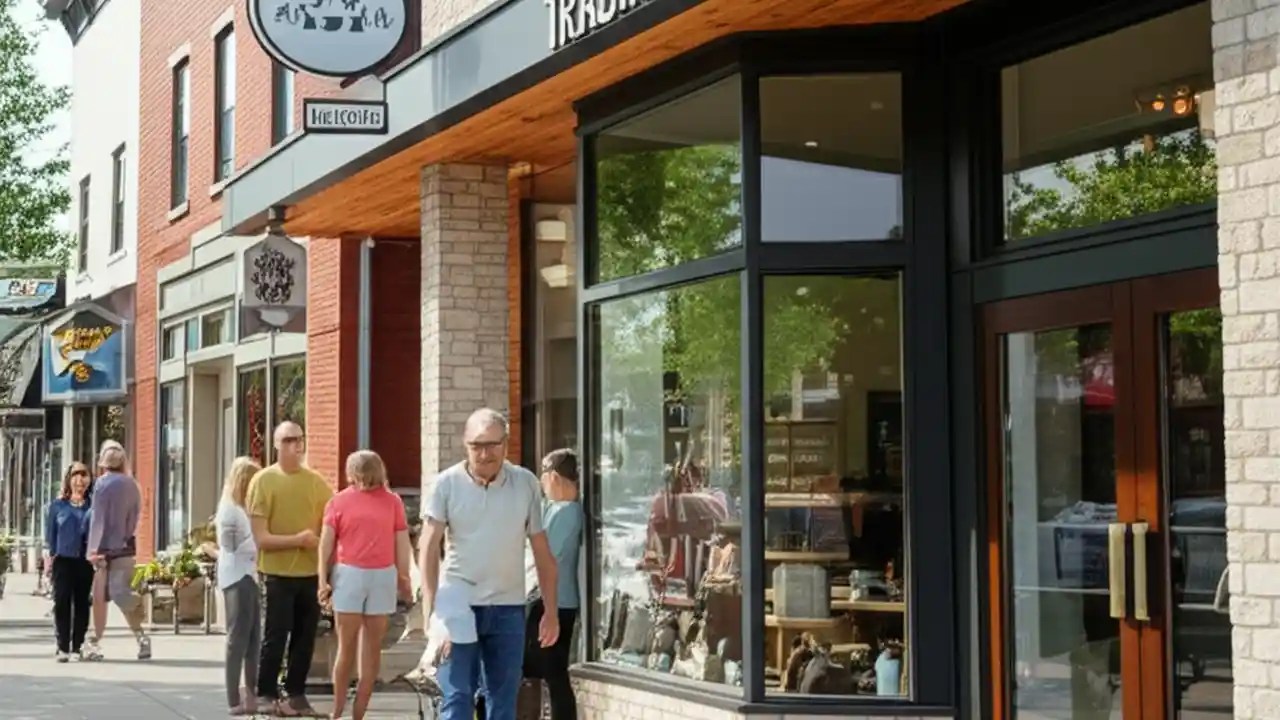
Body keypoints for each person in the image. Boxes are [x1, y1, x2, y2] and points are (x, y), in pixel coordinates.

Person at [419, 408, 560, 720]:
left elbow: (542, 551)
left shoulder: (525, 484)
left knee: (503, 702)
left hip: (507, 607)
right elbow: (428, 547)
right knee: (456, 699)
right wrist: (431, 611)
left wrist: (551, 610)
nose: (483, 454)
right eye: (475, 446)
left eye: (491, 445)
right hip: (458, 606)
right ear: (465, 445)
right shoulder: (446, 484)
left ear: (506, 444)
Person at [246, 421, 332, 717]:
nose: (296, 445)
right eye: (288, 440)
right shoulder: (264, 481)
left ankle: (296, 693)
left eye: (299, 439)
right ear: (276, 445)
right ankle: (266, 693)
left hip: (309, 574)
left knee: (306, 637)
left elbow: (332, 525)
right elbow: (261, 538)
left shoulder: (316, 482)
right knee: (276, 634)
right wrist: (298, 540)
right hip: (276, 574)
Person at [319, 450, 413, 720]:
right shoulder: (393, 502)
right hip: (382, 575)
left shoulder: (338, 502)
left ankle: (337, 711)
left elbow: (325, 545)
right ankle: (358, 712)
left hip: (349, 574)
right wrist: (404, 578)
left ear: (352, 473)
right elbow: (402, 544)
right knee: (372, 649)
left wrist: (322, 579)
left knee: (345, 647)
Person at [523, 449, 583, 720]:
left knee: (551, 671)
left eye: (544, 478)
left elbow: (547, 553)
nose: (542, 485)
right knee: (545, 670)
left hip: (555, 600)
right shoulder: (553, 508)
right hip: (547, 597)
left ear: (555, 478)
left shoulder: (568, 512)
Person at [81, 443, 150, 662]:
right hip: (125, 546)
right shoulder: (132, 485)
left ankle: (93, 641)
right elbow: (136, 516)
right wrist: (126, 535)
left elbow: (98, 519)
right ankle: (141, 638)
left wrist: (92, 549)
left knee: (100, 598)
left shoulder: (102, 484)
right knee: (121, 593)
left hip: (103, 549)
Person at [217, 457, 264, 716]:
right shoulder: (230, 511)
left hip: (250, 574)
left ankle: (251, 693)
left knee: (254, 638)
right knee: (238, 638)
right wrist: (258, 541)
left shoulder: (243, 508)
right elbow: (230, 545)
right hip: (237, 577)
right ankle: (234, 698)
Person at [44, 462, 94, 662]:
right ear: (68, 479)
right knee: (62, 601)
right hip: (62, 560)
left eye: (84, 475)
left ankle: (77, 646)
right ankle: (62, 646)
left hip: (85, 560)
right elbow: (50, 535)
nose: (79, 480)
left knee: (82, 603)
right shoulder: (57, 506)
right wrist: (48, 561)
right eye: (75, 475)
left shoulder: (93, 506)